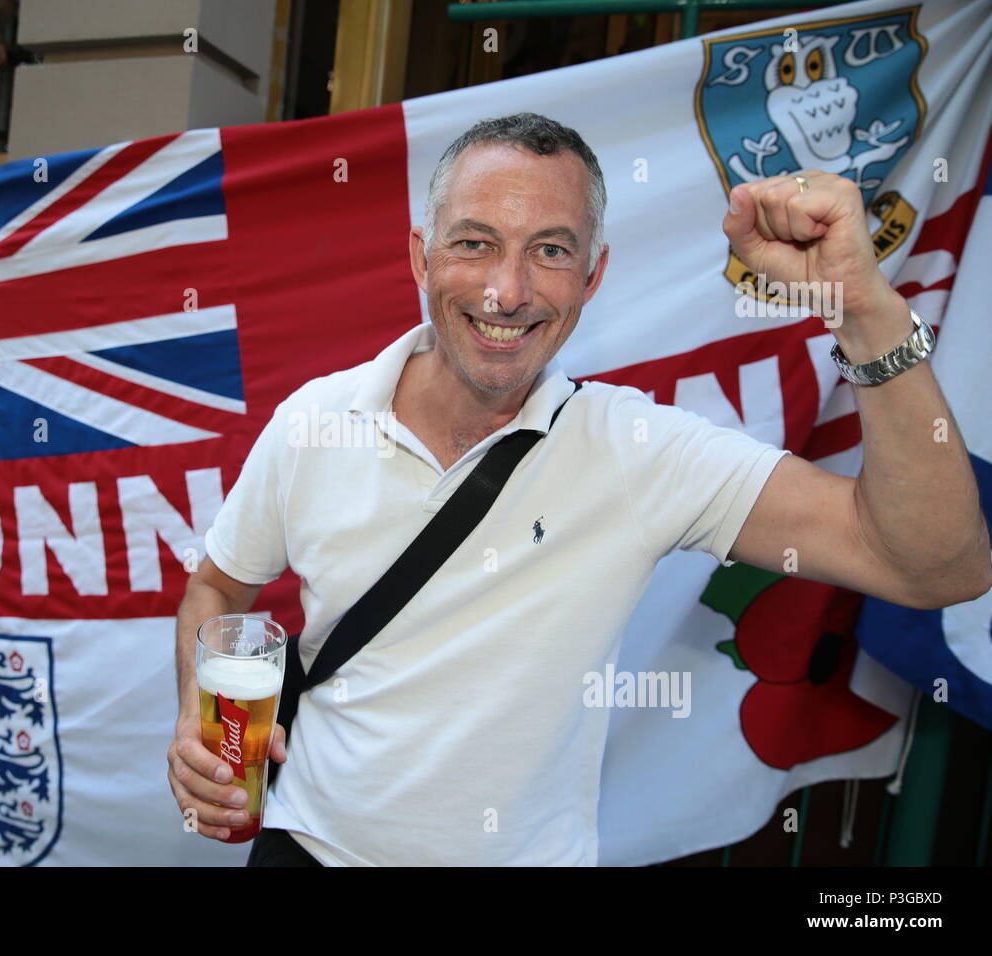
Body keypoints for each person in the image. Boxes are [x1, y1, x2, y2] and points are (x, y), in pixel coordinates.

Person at [166, 112, 991, 866]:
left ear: (594, 276)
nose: (508, 292)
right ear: (421, 254)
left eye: (550, 251)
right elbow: (215, 584)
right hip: (305, 850)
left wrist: (863, 307)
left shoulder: (638, 450)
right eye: (475, 243)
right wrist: (197, 722)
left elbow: (933, 568)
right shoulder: (317, 419)